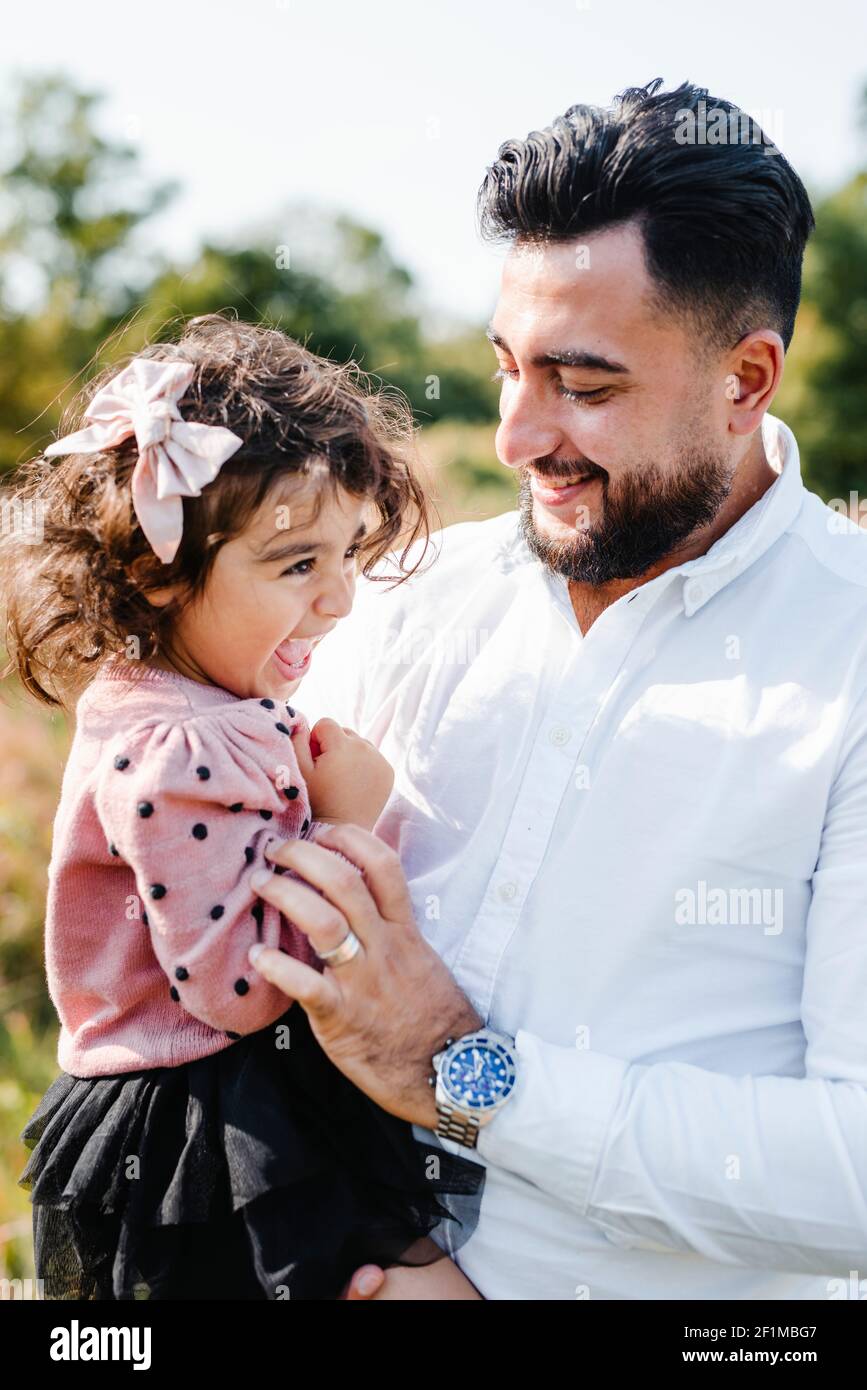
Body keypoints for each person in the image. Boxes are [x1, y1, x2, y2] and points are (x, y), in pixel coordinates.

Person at [243, 80, 867, 1301]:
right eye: (505, 368)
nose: (517, 437)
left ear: (747, 379)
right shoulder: (400, 600)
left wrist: (462, 1072)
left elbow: (852, 1176)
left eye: (582, 384)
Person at [5, 313, 486, 1300]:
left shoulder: (198, 699)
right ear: (156, 572)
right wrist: (343, 823)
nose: (342, 598)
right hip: (204, 1126)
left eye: (350, 551)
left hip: (235, 1093)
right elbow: (235, 986)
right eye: (297, 563)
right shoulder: (177, 746)